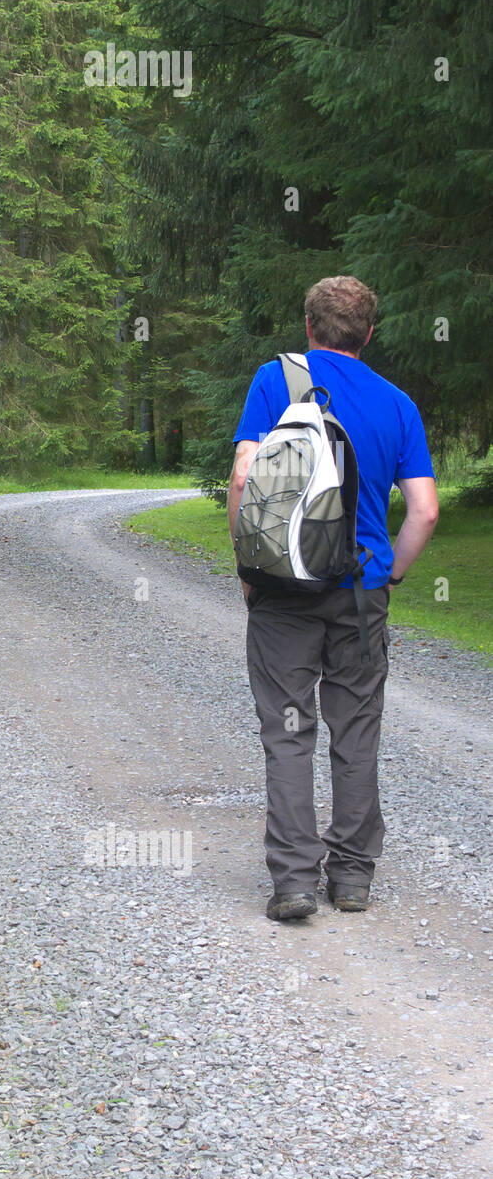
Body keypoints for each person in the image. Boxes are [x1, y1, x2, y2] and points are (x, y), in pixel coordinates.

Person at [227, 276, 439, 922]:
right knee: (356, 730)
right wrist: (391, 576)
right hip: (360, 593)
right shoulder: (397, 404)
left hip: (284, 587)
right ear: (369, 334)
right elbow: (425, 511)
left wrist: (248, 568)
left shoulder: (275, 382)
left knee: (288, 731)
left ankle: (293, 881)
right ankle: (350, 877)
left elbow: (242, 476)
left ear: (309, 328)